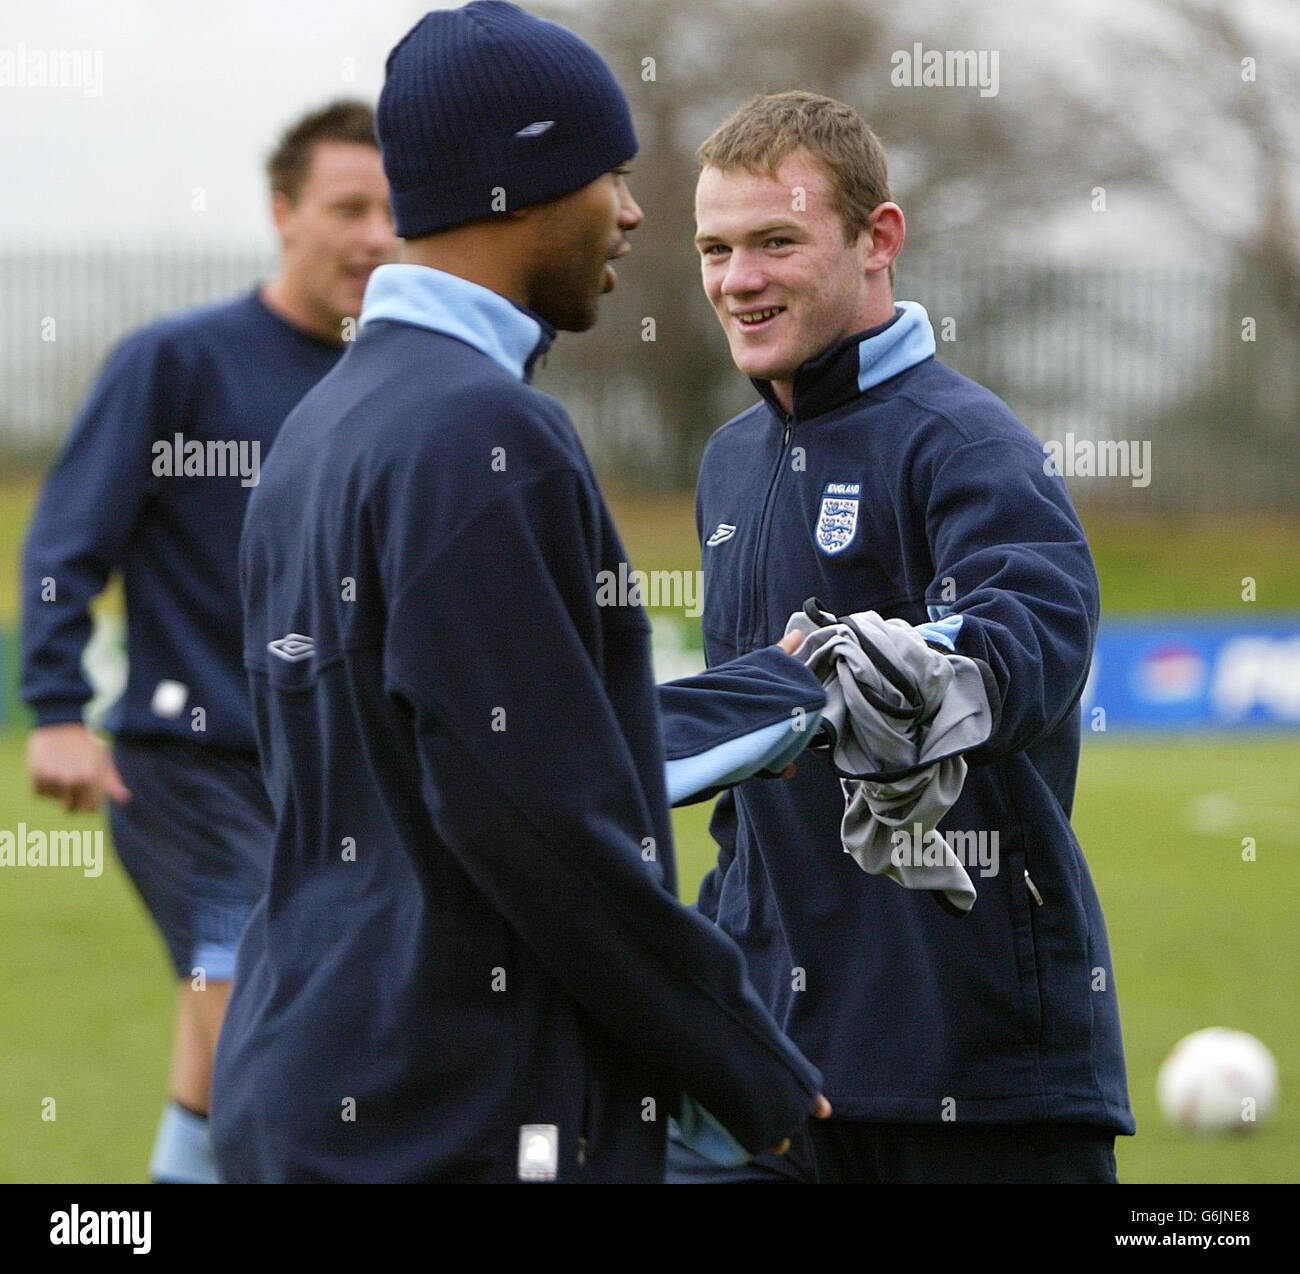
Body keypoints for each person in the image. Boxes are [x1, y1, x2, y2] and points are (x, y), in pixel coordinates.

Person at [210, 1, 828, 1186]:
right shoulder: (483, 433)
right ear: (524, 189)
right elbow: (540, 819)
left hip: (308, 1071)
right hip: (445, 1107)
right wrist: (746, 1058)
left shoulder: (321, 425)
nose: (633, 214)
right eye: (611, 174)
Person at [676, 90, 1136, 1183]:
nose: (737, 279)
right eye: (715, 248)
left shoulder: (961, 438)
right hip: (783, 1062)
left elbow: (1034, 634)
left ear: (877, 240)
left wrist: (932, 677)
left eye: (776, 240)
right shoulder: (730, 461)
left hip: (971, 1065)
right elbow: (748, 787)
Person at [20, 100, 395, 1183]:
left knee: (223, 1036)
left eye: (392, 211)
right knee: (266, 1039)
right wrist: (53, 711)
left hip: (335, 783)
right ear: (283, 212)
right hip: (188, 772)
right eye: (347, 206)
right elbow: (64, 541)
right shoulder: (176, 361)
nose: (374, 233)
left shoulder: (396, 381)